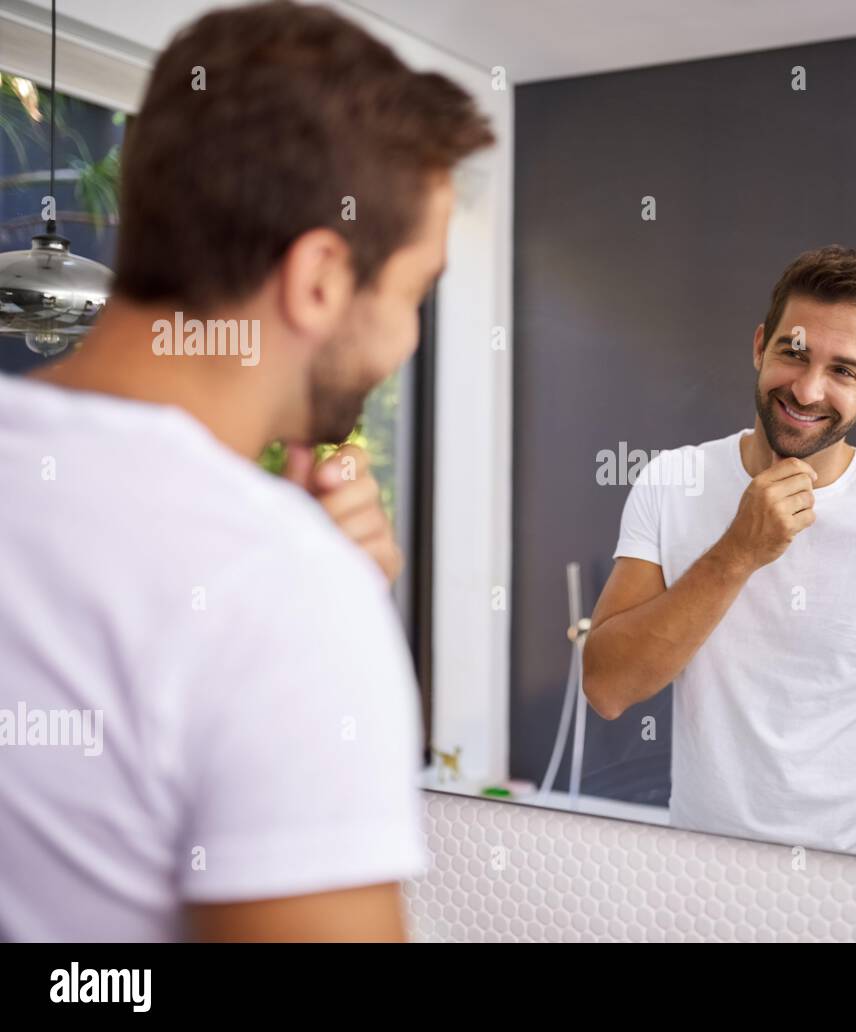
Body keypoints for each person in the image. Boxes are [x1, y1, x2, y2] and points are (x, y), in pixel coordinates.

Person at [0, 0, 494, 941]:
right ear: (319, 279)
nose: (410, 336)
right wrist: (305, 600)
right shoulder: (280, 592)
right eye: (415, 292)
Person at [583, 245, 856, 877]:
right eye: (794, 352)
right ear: (761, 345)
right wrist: (738, 551)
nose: (807, 388)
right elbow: (606, 687)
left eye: (844, 371)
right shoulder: (671, 482)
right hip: (703, 886)